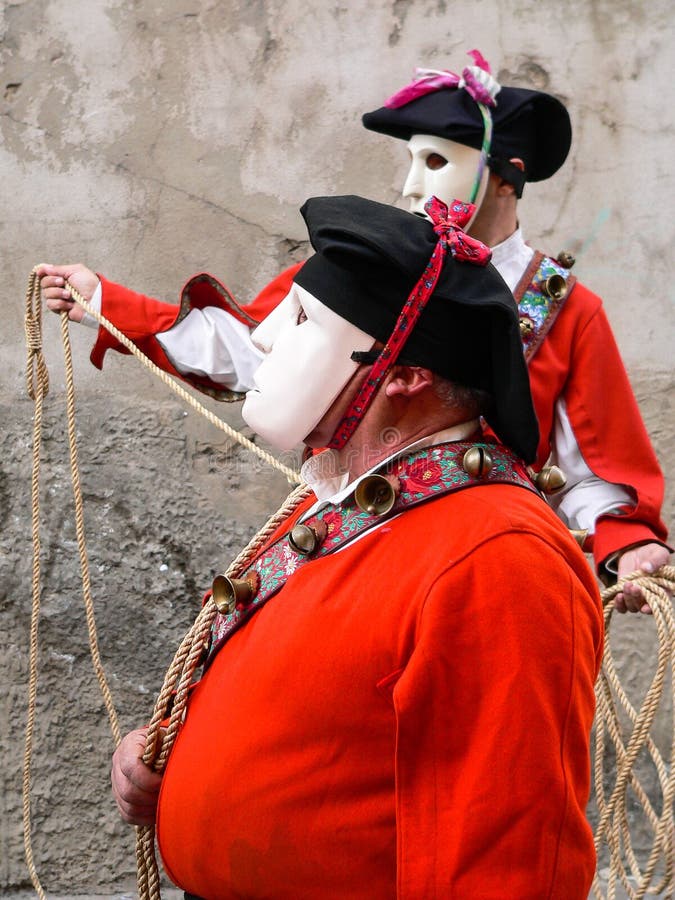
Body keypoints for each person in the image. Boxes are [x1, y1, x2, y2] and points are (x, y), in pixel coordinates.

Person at [38, 51, 670, 610]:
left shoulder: (566, 310)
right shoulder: (369, 269)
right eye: (410, 161)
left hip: (480, 564)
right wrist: (109, 304)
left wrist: (628, 544)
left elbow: (593, 461)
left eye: (435, 160)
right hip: (353, 541)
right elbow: (254, 349)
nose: (411, 184)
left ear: (508, 174)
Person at [111, 194, 604, 898]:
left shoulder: (499, 556)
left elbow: (505, 863)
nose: (265, 338)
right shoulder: (338, 501)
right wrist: (165, 754)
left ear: (404, 375)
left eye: (304, 319)